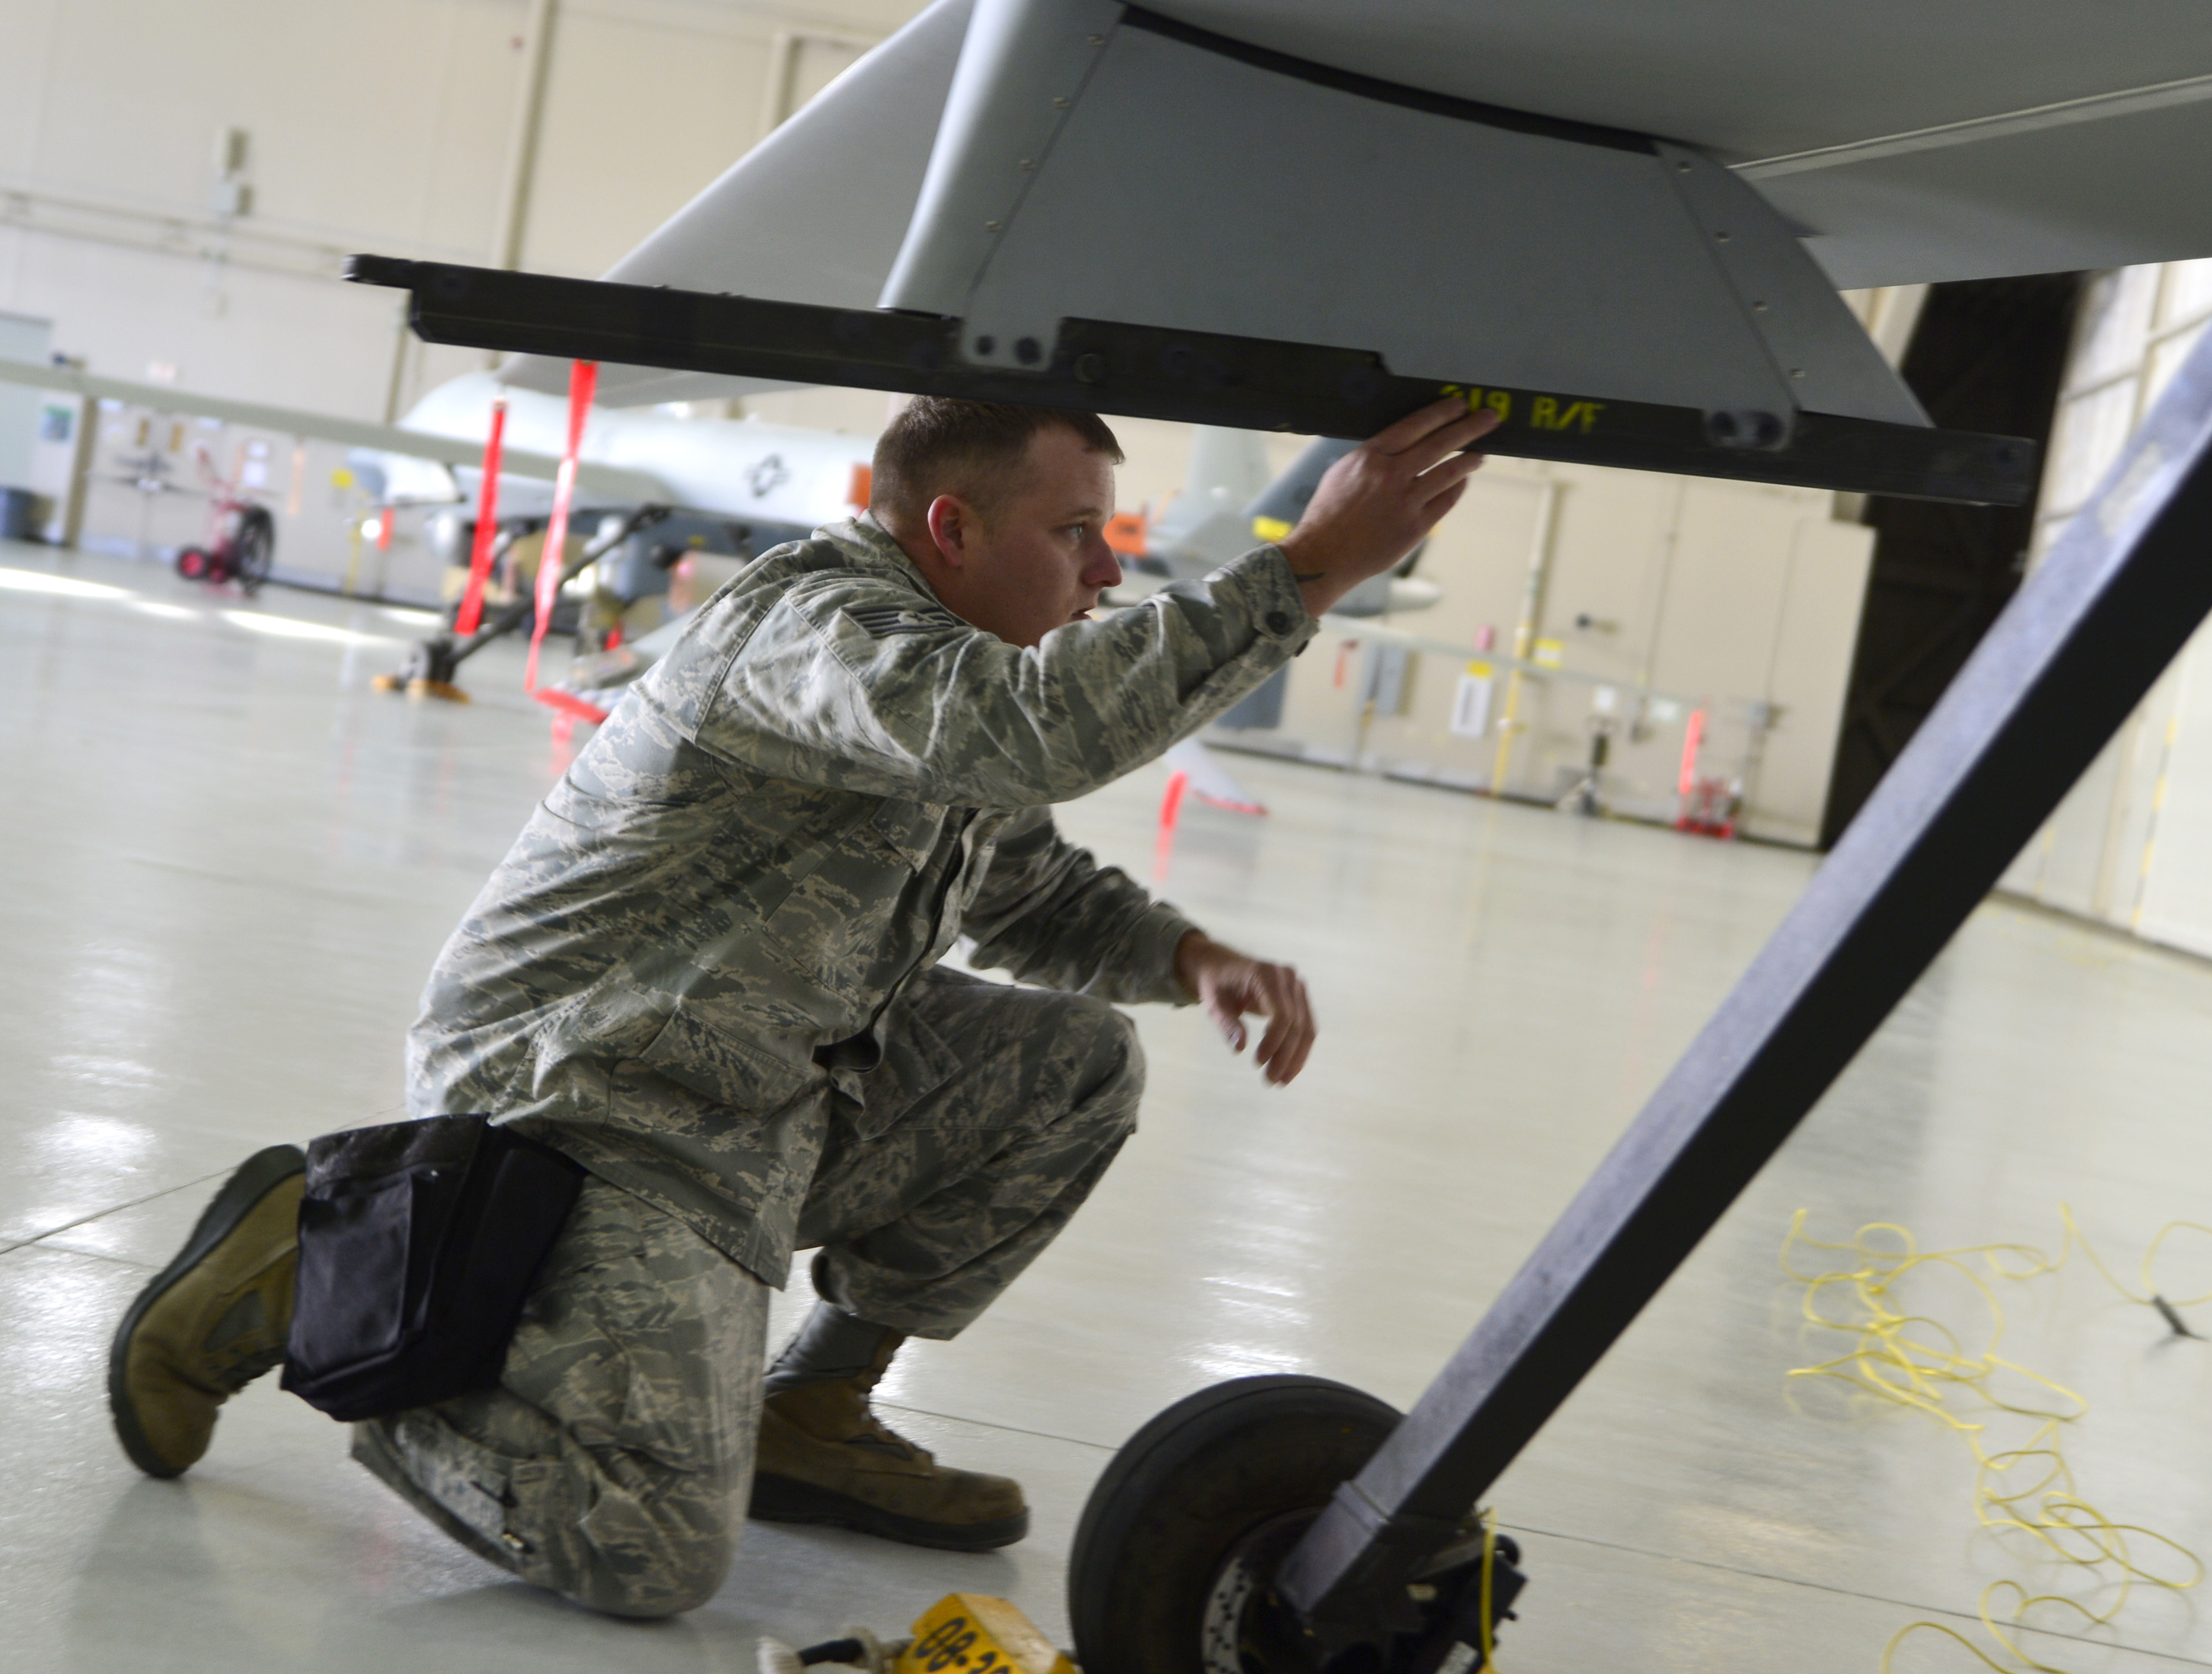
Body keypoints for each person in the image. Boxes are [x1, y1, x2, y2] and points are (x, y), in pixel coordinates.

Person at [107, 394, 1498, 1617]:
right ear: (950, 527)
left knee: (1076, 1062)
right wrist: (1302, 570)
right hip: (589, 1107)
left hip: (756, 1102)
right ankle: (314, 1277)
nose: (1106, 563)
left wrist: (1190, 955)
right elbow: (1022, 732)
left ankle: (813, 1409)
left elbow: (1020, 874)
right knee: (649, 1553)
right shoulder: (818, 630)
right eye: (1075, 531)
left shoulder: (937, 680)